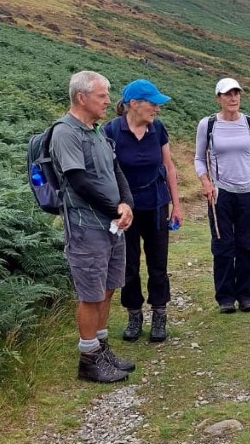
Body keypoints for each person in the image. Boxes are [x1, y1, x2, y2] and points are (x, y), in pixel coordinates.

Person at [49, 70, 135, 383]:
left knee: (108, 287)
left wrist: (127, 204)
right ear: (82, 97)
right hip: (87, 227)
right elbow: (78, 181)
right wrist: (115, 209)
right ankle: (88, 360)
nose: (108, 101)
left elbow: (115, 170)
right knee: (91, 292)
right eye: (102, 96)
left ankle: (102, 348)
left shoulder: (96, 131)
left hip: (112, 225)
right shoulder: (65, 132)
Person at [103, 78, 183, 344]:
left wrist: (177, 205)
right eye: (153, 103)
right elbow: (103, 173)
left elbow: (169, 167)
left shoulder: (157, 129)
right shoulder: (111, 131)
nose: (157, 109)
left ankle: (159, 315)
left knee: (158, 263)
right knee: (128, 265)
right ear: (133, 104)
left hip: (157, 204)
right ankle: (134, 315)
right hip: (124, 209)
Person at [194, 77, 250, 313]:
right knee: (223, 244)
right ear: (218, 97)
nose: (233, 98)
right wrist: (206, 182)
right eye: (227, 94)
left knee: (245, 245)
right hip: (220, 194)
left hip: (247, 192)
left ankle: (245, 295)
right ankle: (225, 297)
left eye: (236, 93)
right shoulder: (207, 125)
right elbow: (199, 158)